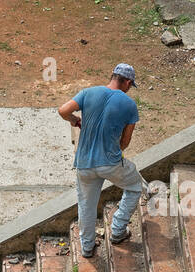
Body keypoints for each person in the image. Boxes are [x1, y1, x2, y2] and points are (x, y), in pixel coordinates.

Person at [58, 62, 143, 259]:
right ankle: (118, 229)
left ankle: (87, 248)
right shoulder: (129, 105)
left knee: (86, 204)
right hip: (111, 163)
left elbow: (63, 110)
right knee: (135, 186)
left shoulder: (88, 93)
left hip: (84, 164)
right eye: (131, 85)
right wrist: (116, 150)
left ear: (112, 76)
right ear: (128, 82)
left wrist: (75, 120)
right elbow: (125, 141)